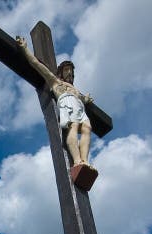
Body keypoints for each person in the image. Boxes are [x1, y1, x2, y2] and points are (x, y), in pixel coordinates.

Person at [16, 36, 94, 170]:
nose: (69, 73)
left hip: (79, 107)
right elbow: (36, 64)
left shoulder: (76, 90)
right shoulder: (55, 81)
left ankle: (85, 161)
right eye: (66, 70)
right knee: (73, 127)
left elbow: (83, 99)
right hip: (67, 103)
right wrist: (24, 49)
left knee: (87, 128)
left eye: (71, 71)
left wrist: (86, 99)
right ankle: (77, 161)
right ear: (61, 72)